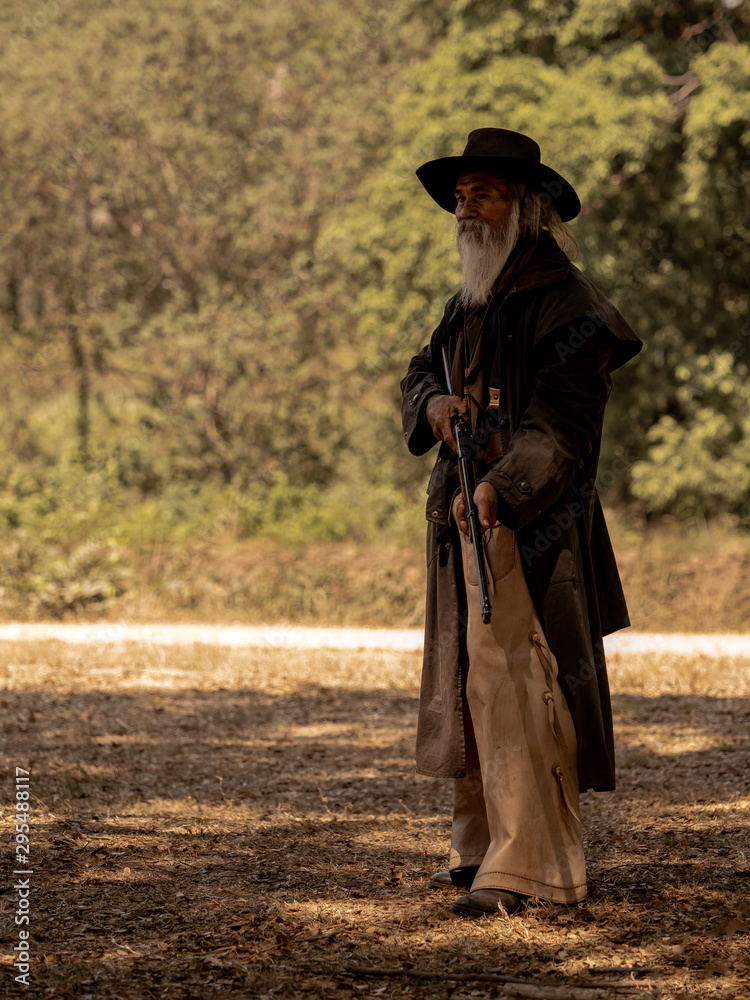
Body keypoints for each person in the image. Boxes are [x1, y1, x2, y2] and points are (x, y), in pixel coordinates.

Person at [400, 128, 642, 917]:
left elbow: (566, 427)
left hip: (535, 528)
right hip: (466, 517)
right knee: (476, 687)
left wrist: (503, 487)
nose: (465, 209)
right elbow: (419, 372)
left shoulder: (570, 306)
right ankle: (480, 849)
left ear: (527, 208)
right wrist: (436, 406)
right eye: (460, 196)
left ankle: (533, 867)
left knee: (530, 689)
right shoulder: (470, 301)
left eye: (484, 194)